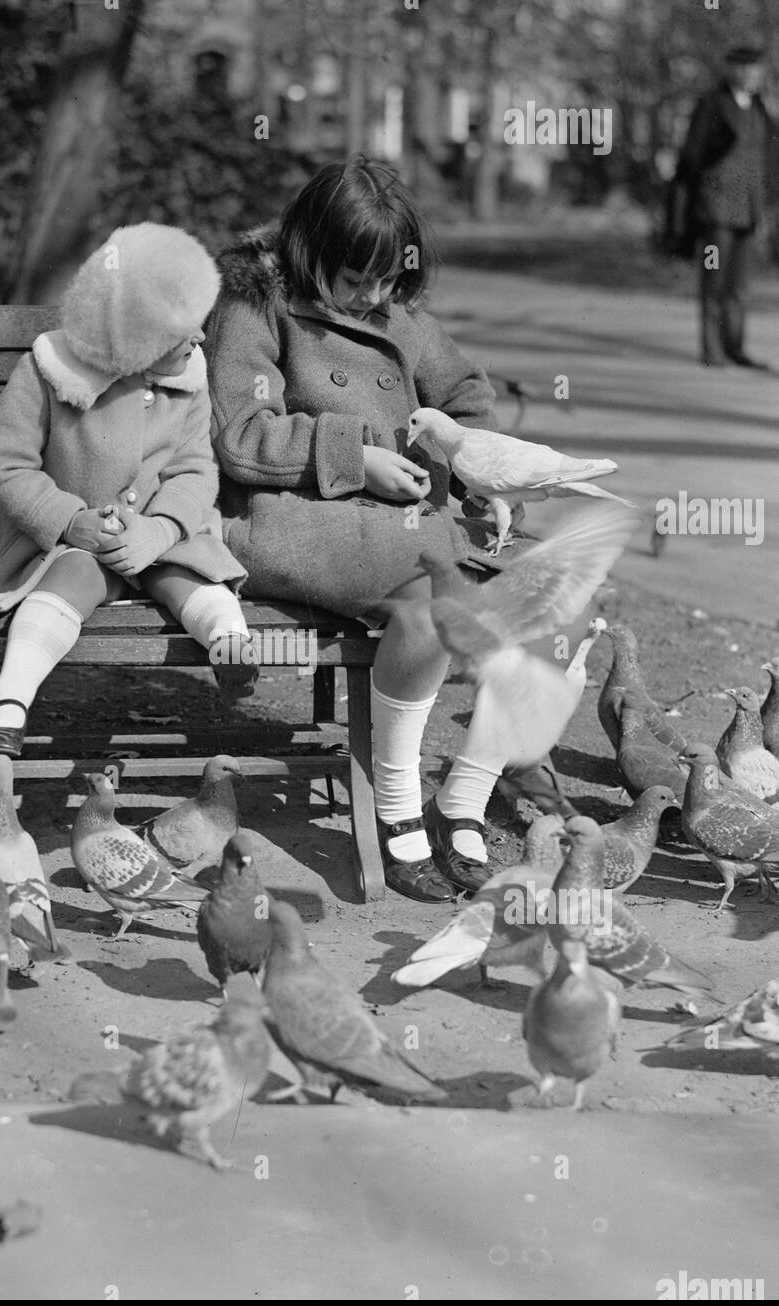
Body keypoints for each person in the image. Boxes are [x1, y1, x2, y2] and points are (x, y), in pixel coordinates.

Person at [205, 156, 529, 902]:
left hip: (402, 516)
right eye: (355, 280)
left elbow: (467, 394)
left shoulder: (396, 307)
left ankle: (460, 801)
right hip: (292, 516)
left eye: (387, 280)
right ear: (309, 246)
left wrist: (476, 469)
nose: (373, 297)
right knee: (438, 589)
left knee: (559, 615)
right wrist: (361, 458)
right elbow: (243, 434)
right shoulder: (255, 303)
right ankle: (396, 808)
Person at [0, 223, 254, 756]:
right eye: (184, 329)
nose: (201, 339)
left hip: (162, 534)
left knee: (190, 572)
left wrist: (163, 528)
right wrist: (70, 519)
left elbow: (196, 469)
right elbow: (4, 465)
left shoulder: (188, 375)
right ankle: (9, 704)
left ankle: (229, 642)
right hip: (68, 542)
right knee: (68, 579)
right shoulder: (48, 370)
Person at [671, 45, 773, 369]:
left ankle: (735, 348)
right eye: (749, 69)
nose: (755, 75)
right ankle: (712, 349)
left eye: (758, 69)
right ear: (735, 70)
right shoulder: (712, 104)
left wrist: (763, 210)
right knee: (714, 280)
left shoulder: (759, 107)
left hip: (747, 212)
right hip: (716, 213)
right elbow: (691, 157)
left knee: (739, 286)